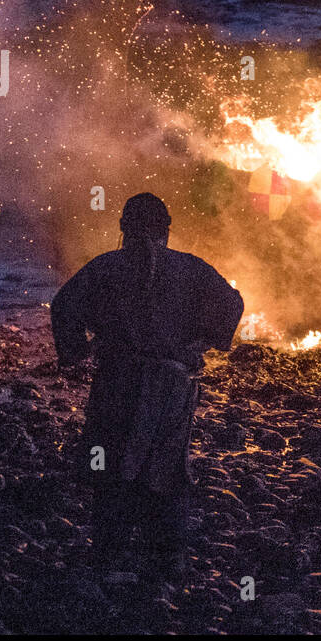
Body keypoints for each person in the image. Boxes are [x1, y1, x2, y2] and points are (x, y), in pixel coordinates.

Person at [51, 192, 243, 578]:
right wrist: (200, 343)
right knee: (167, 467)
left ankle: (110, 558)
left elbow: (63, 307)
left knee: (110, 465)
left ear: (123, 228)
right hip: (171, 387)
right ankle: (167, 559)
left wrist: (78, 352)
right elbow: (232, 303)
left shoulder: (105, 268)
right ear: (166, 231)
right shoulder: (191, 269)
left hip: (116, 383)